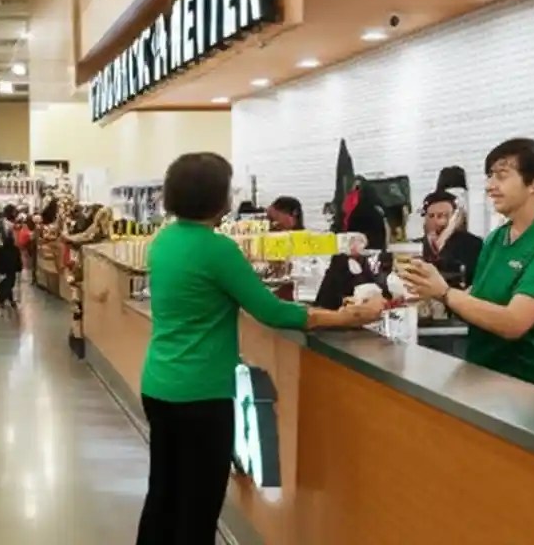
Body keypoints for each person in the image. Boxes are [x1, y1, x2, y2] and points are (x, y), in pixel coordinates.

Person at [138, 152, 384, 544]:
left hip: (159, 385)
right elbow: (271, 311)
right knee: (198, 507)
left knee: (165, 493)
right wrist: (345, 317)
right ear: (218, 198)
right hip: (203, 393)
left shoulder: (164, 241)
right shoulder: (216, 250)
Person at [402, 137, 534, 396]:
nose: (490, 186)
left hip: (533, 393)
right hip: (484, 384)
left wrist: (445, 293)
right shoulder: (497, 239)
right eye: (489, 176)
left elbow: (513, 322)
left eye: (501, 176)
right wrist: (430, 293)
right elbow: (477, 302)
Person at [417, 190, 483, 289]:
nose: (437, 221)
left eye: (443, 215)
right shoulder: (416, 248)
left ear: (455, 218)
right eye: (431, 216)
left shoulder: (474, 244)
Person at [0, 204, 22, 311]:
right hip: (9, 253)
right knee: (10, 278)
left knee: (5, 277)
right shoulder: (10, 225)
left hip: (1, 253)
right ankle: (5, 298)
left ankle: (6, 298)